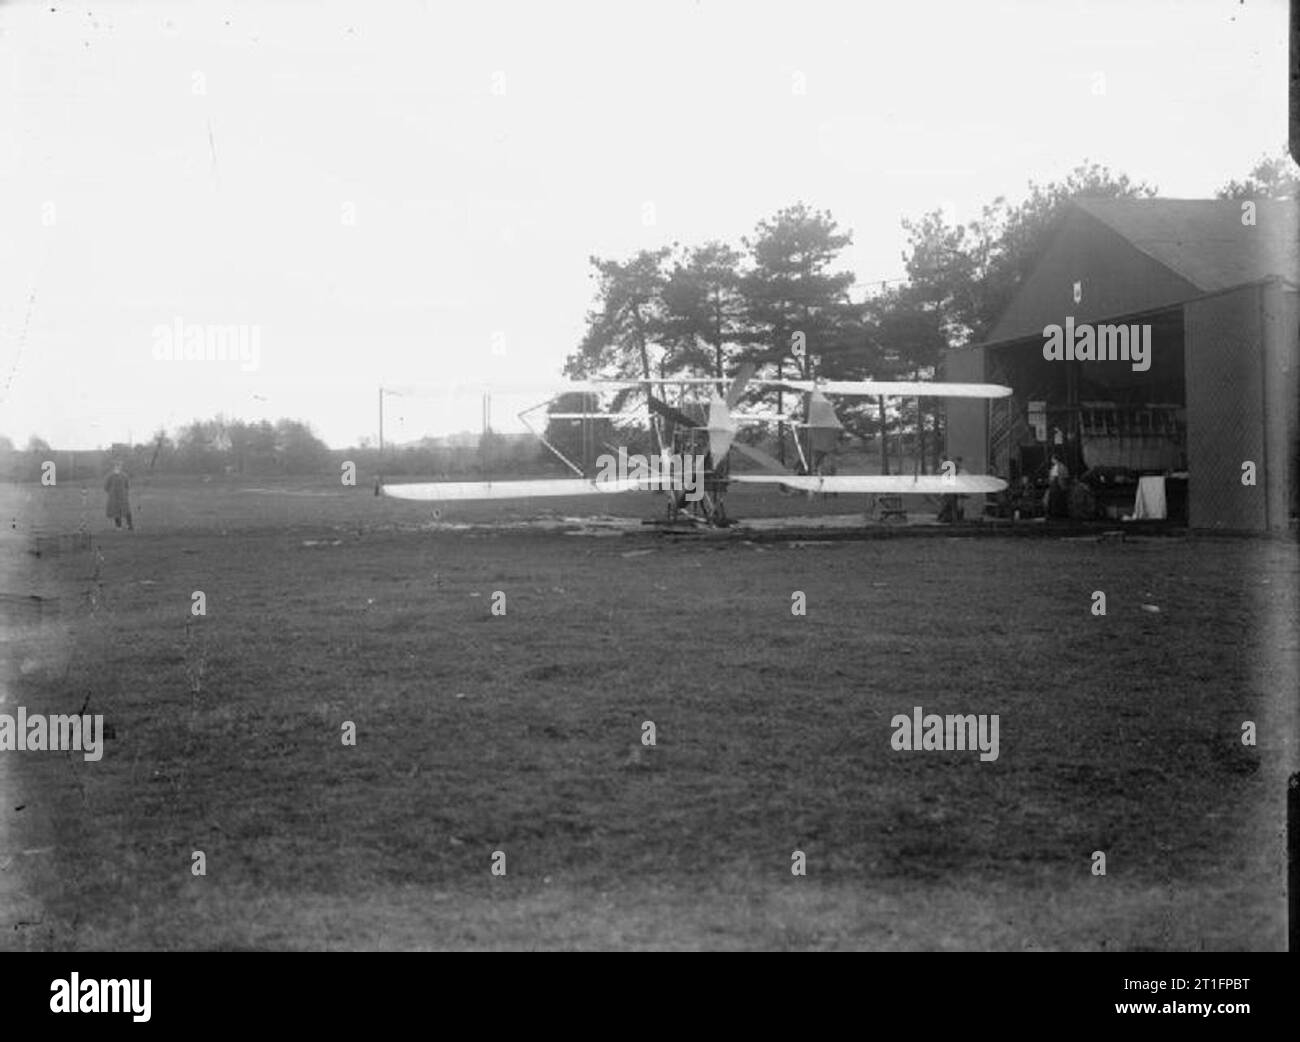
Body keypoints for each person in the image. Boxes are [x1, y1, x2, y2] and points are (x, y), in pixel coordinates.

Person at [105, 461, 133, 530]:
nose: (118, 467)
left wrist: (125, 493)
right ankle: (118, 526)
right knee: (116, 512)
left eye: (119, 466)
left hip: (123, 497)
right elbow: (106, 487)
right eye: (116, 466)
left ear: (121, 467)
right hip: (114, 498)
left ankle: (129, 525)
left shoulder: (124, 476)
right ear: (114, 467)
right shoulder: (110, 476)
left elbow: (127, 486)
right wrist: (111, 493)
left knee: (127, 510)